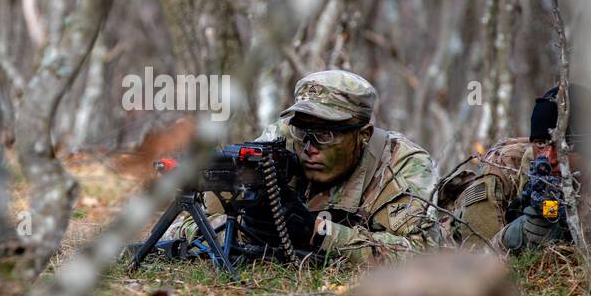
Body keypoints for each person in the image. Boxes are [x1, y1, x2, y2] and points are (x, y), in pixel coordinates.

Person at [167, 69, 439, 264]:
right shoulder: (281, 141)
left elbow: (424, 255)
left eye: (325, 135)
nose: (309, 147)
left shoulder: (403, 165)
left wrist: (318, 233)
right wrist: (245, 229)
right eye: (303, 131)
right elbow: (184, 225)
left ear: (363, 135)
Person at [435, 85, 589, 253]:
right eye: (541, 143)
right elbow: (478, 256)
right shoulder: (504, 167)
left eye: (565, 146)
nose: (550, 158)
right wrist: (511, 237)